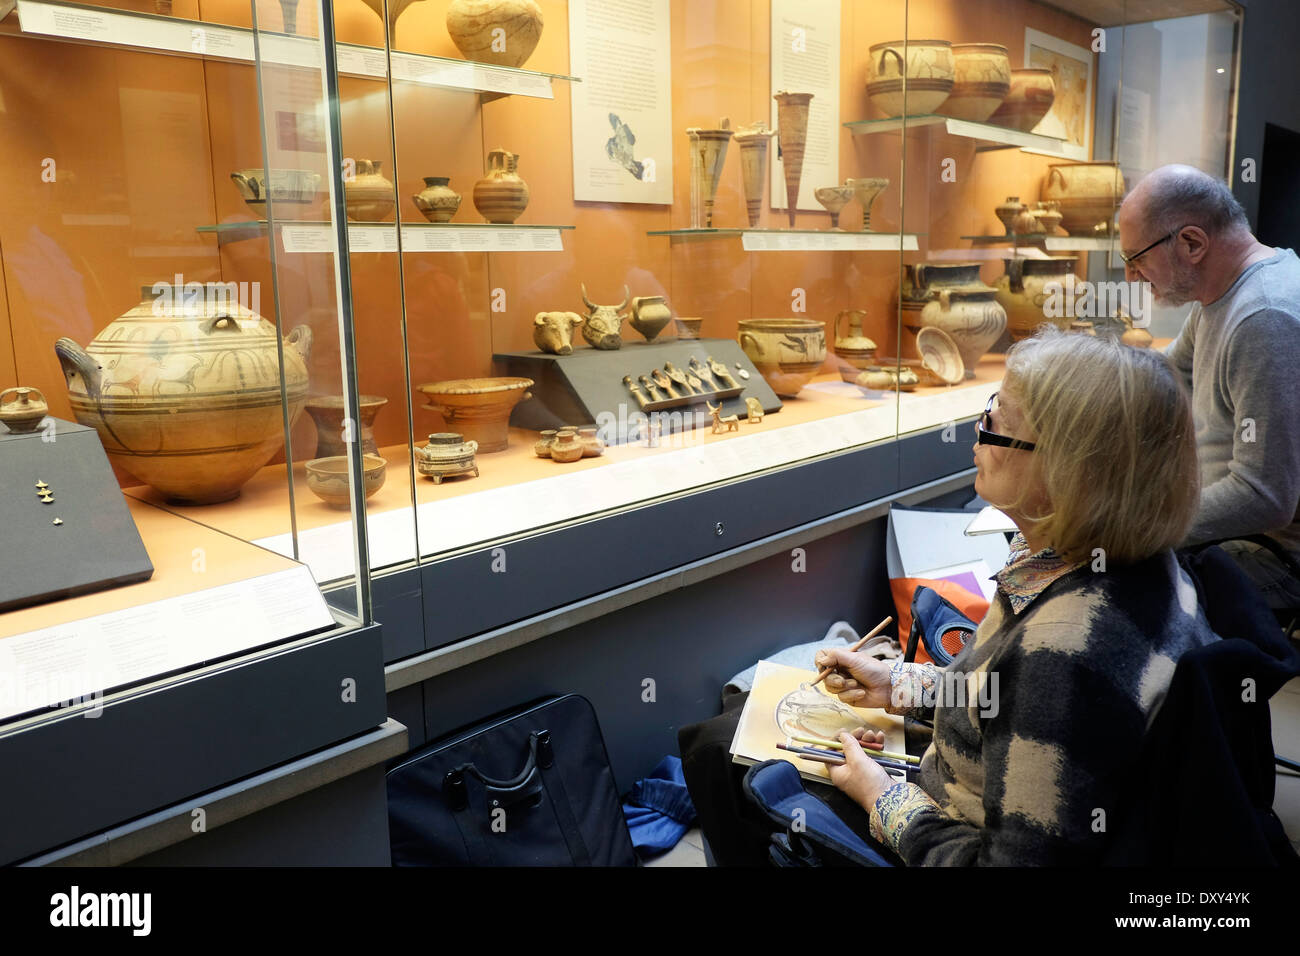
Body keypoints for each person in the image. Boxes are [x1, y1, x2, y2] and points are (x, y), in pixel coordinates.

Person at [814, 328, 1218, 865]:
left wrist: (883, 798)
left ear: (1064, 472)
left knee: (724, 749)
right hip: (974, 788)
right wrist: (901, 684)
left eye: (996, 424)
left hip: (948, 830)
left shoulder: (1063, 649)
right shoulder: (1133, 563)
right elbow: (1010, 699)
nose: (977, 434)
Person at [1116, 164, 1300, 608]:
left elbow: (1265, 496)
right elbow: (1165, 375)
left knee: (1105, 584)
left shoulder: (1264, 317)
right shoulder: (1220, 297)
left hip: (1275, 556)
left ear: (1193, 243)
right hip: (1236, 536)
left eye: (1136, 259)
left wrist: (1139, 526)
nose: (1132, 278)